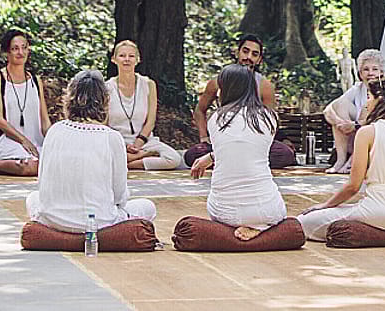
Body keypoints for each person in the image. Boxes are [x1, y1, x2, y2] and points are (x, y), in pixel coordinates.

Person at [298, 78, 385, 240]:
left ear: (380, 100)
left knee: (303, 222)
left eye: (369, 97)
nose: (366, 103)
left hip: (380, 213)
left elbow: (353, 187)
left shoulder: (367, 132)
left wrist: (325, 205)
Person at [25, 70, 157, 232]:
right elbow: (119, 196)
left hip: (53, 220)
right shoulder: (111, 137)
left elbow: (42, 184)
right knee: (147, 207)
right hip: (98, 222)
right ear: (105, 101)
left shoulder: (54, 130)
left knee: (33, 198)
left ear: (69, 98)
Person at [189, 65, 286, 241]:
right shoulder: (269, 118)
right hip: (266, 210)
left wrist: (210, 156)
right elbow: (248, 147)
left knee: (214, 202)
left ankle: (238, 227)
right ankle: (260, 226)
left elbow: (235, 145)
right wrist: (210, 157)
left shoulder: (215, 119)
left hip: (223, 212)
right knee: (277, 209)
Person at [185, 35, 296, 169]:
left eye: (254, 54)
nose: (248, 57)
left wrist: (260, 142)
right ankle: (235, 160)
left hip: (254, 141)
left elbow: (271, 121)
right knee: (192, 155)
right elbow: (200, 110)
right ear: (237, 52)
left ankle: (227, 161)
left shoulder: (264, 86)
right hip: (224, 140)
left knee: (285, 154)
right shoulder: (218, 81)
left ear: (259, 60)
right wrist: (204, 137)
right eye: (245, 51)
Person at [106, 40, 183, 170]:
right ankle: (140, 157)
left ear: (137, 60)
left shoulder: (148, 84)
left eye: (131, 56)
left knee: (173, 158)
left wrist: (137, 145)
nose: (127, 60)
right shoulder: (106, 87)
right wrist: (124, 146)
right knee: (103, 158)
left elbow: (150, 121)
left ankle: (129, 163)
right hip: (116, 143)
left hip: (144, 142)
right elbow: (105, 124)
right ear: (114, 59)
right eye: (122, 56)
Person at [0, 29, 52, 177]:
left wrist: (53, 139)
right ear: (7, 52)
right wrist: (23, 140)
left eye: (24, 47)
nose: (20, 52)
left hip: (35, 141)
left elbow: (44, 119)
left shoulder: (35, 80)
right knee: (31, 167)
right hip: (7, 140)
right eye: (15, 48)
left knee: (55, 161)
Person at [322, 49, 385, 174]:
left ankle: (352, 161)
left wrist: (354, 125)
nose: (370, 73)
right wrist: (340, 123)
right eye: (366, 69)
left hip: (375, 137)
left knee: (365, 112)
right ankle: (340, 160)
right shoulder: (358, 88)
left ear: (381, 72)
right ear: (360, 73)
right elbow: (328, 110)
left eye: (375, 69)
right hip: (353, 134)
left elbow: (376, 121)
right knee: (340, 105)